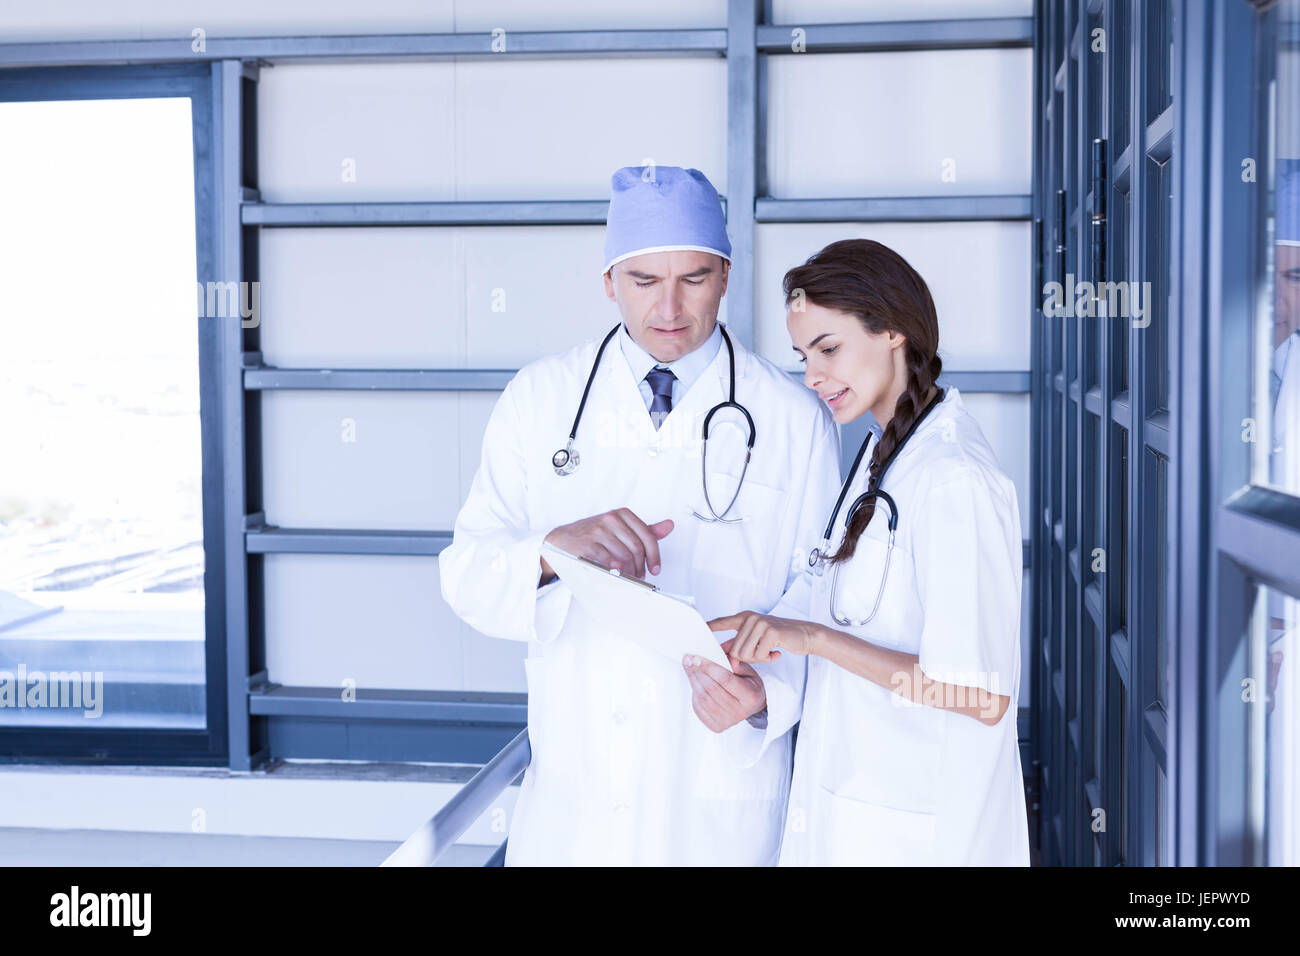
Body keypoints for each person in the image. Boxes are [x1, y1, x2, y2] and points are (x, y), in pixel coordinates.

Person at [439, 165, 840, 865]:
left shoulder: (794, 417)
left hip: (716, 791)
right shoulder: (539, 400)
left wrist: (764, 695)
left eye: (692, 278)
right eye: (644, 281)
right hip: (577, 798)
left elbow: (820, 597)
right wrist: (550, 549)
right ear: (608, 283)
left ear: (724, 273)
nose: (670, 308)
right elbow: (467, 574)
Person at [688, 238, 1030, 865]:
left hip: (924, 833)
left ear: (894, 330)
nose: (812, 376)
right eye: (802, 355)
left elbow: (981, 696)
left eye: (828, 349)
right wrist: (761, 643)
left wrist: (811, 638)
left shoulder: (954, 479)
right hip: (855, 814)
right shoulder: (879, 457)